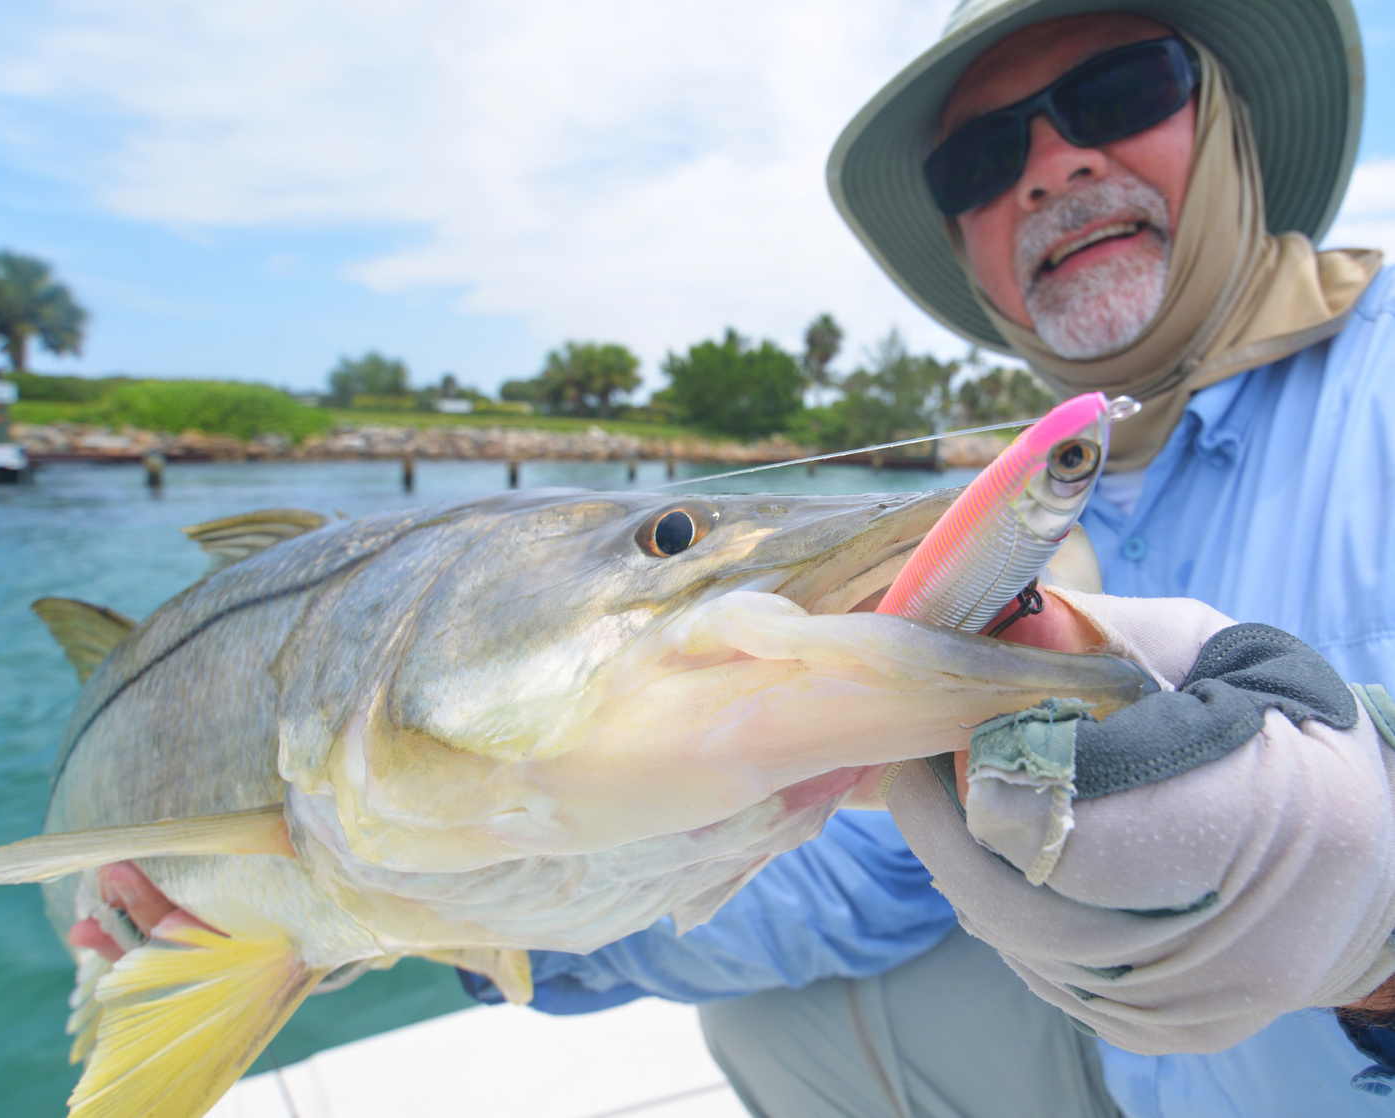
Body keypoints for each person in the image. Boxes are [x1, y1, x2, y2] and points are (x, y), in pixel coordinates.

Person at [81, 1, 1395, 1114]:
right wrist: (447, 912)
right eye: (980, 158)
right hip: (1148, 1065)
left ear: (1220, 117)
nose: (1046, 167)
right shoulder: (1014, 505)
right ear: (967, 246)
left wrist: (1374, 926)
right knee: (772, 1027)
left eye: (1116, 86)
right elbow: (872, 884)